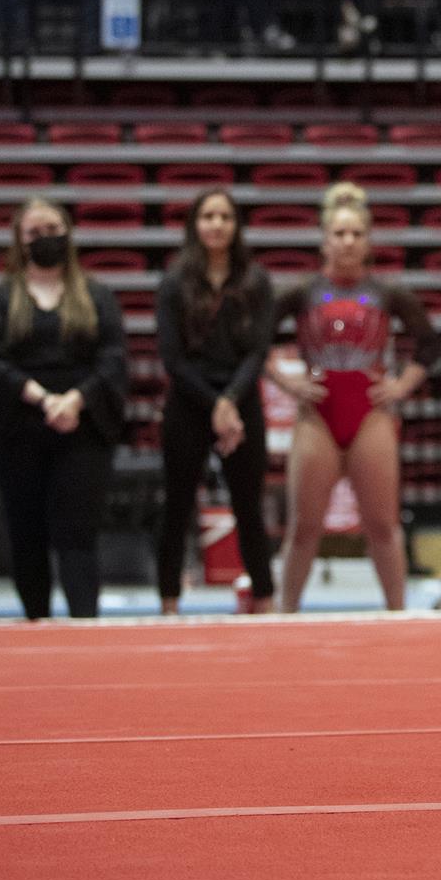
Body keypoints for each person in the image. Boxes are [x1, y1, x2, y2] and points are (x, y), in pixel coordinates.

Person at [267, 184, 440, 613]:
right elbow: (253, 342)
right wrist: (286, 383)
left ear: (368, 241)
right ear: (325, 239)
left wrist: (402, 385)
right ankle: (285, 614)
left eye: (356, 234)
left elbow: (430, 345)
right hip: (317, 414)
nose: (347, 242)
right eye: (340, 234)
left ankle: (397, 612)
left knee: (382, 525)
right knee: (304, 527)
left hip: (370, 414)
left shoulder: (386, 293)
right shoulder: (302, 292)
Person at [0, 199, 127, 619]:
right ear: (20, 241)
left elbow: (113, 358)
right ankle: (36, 622)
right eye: (35, 233)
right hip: (17, 426)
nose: (46, 240)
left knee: (77, 532)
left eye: (53, 230)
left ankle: (84, 625)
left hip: (83, 425)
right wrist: (39, 396)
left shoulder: (95, 294)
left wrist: (75, 399)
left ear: (68, 233)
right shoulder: (1, 297)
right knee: (27, 532)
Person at [154, 190, 275, 615]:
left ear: (236, 225)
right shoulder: (174, 282)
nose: (217, 224)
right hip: (189, 401)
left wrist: (230, 401)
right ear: (195, 225)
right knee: (177, 505)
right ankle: (169, 602)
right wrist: (214, 404)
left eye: (225, 216)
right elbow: (172, 358)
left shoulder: (255, 281)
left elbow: (258, 351)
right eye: (208, 216)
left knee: (249, 505)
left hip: (241, 398)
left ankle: (264, 598)